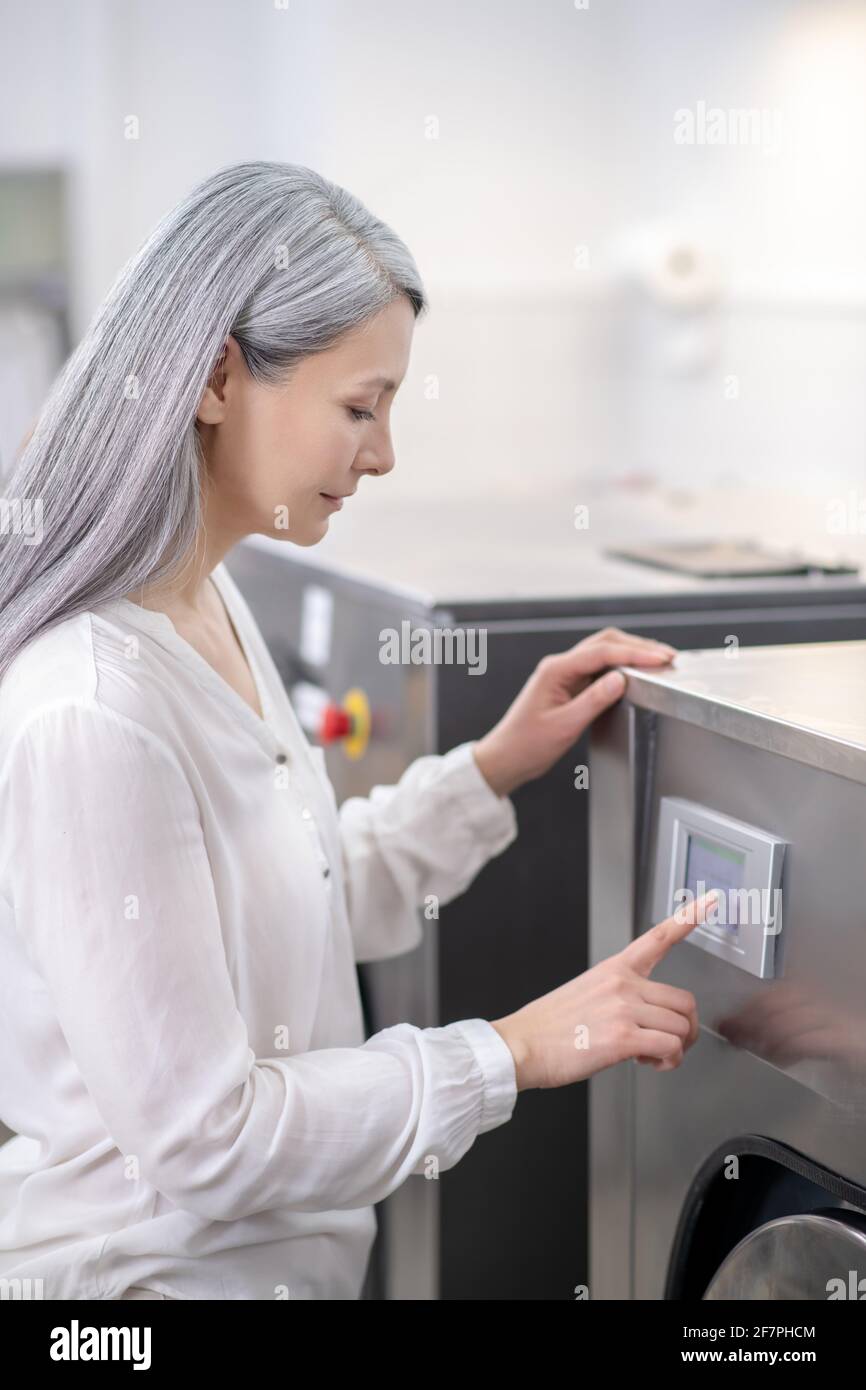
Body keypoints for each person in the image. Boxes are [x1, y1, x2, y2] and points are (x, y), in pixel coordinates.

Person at [0, 162, 703, 1301]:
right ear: (218, 377)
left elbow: (294, 900)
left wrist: (490, 768)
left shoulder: (205, 605)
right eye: (357, 407)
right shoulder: (93, 708)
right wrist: (512, 1050)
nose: (380, 454)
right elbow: (205, 1136)